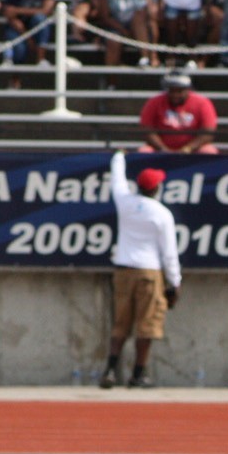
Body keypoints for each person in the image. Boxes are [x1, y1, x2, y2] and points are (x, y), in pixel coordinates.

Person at [100, 151, 181, 391]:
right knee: (147, 324)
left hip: (123, 269)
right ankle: (139, 372)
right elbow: (169, 252)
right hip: (149, 271)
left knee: (120, 323)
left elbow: (117, 180)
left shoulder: (126, 203)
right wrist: (174, 282)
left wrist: (119, 157)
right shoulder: (162, 214)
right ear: (156, 188)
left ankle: (111, 370)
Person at [139, 70, 219, 154]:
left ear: (188, 89)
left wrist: (188, 148)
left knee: (209, 151)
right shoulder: (154, 102)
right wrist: (162, 148)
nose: (175, 95)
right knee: (144, 151)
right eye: (172, 91)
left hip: (193, 149)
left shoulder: (202, 103)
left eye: (180, 91)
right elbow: (147, 129)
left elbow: (208, 132)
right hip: (160, 148)